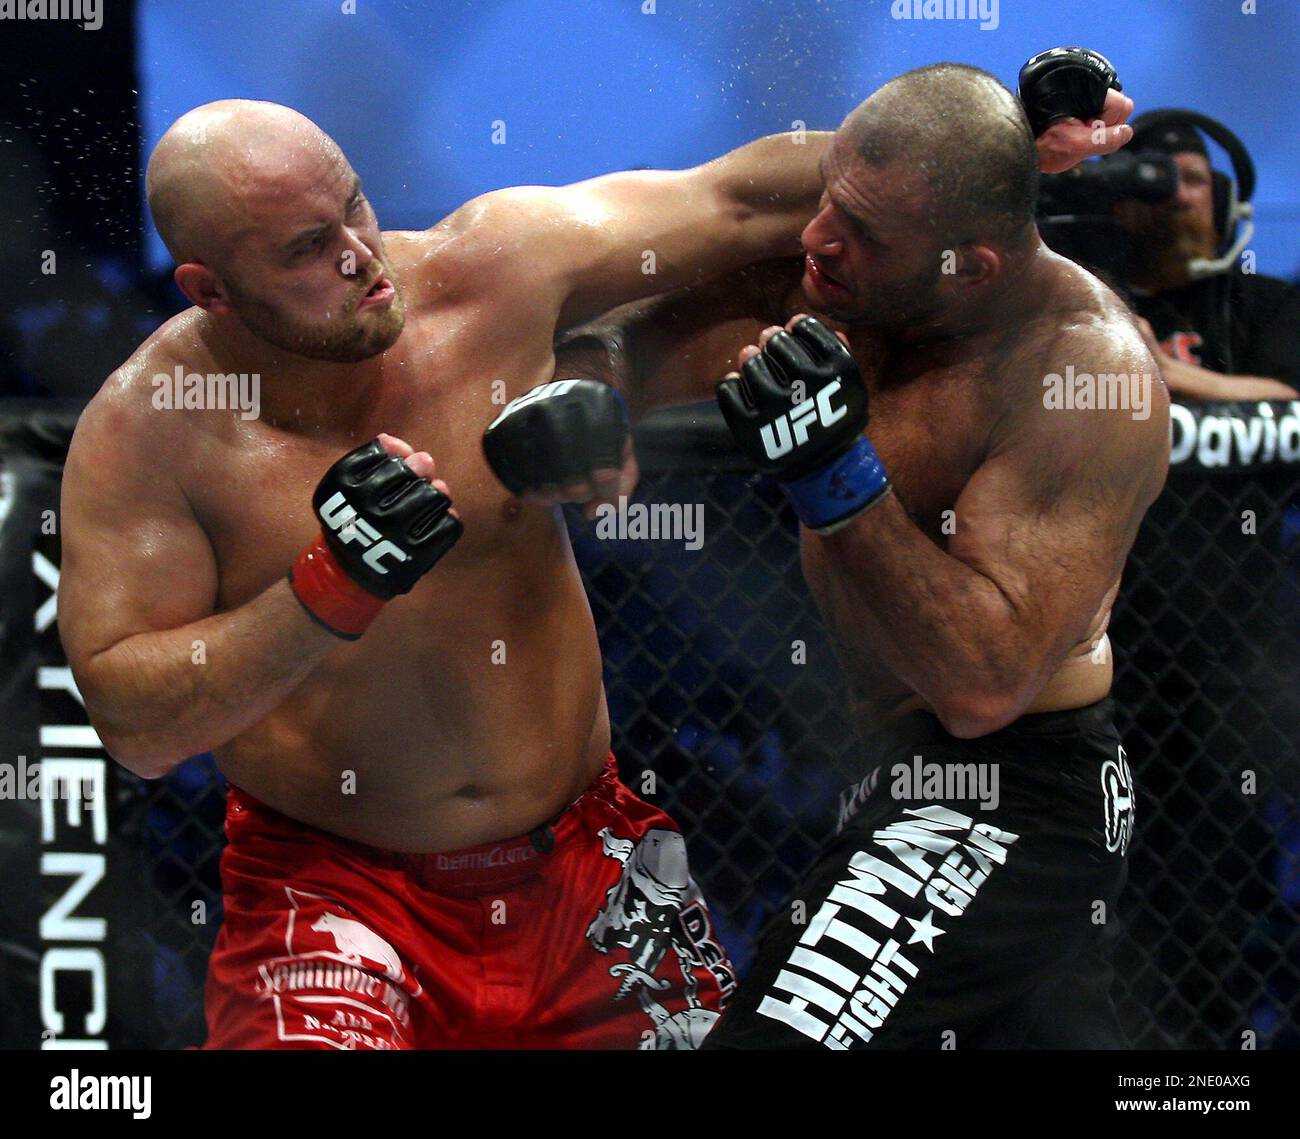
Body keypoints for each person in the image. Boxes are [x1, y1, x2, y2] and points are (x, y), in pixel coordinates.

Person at [57, 98, 829, 1049]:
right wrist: (330, 587)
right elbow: (136, 727)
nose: (360, 257)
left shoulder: (490, 266)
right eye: (306, 248)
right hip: (332, 890)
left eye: (356, 206)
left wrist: (1007, 150)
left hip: (591, 864)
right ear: (209, 290)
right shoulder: (150, 431)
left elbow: (741, 201)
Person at [560, 63, 1166, 1048]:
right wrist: (586, 391)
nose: (815, 239)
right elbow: (624, 329)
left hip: (1008, 792)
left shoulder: (1076, 374)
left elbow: (981, 682)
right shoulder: (843, 274)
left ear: (966, 266)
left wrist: (831, 472)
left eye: (861, 232)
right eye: (827, 200)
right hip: (887, 771)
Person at [1114, 114, 1299, 401]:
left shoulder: (1271, 303)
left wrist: (1166, 372)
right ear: (1119, 204)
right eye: (1159, 181)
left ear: (1221, 202)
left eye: (1194, 179)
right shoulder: (1081, 303)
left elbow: (1292, 395)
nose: (1179, 197)